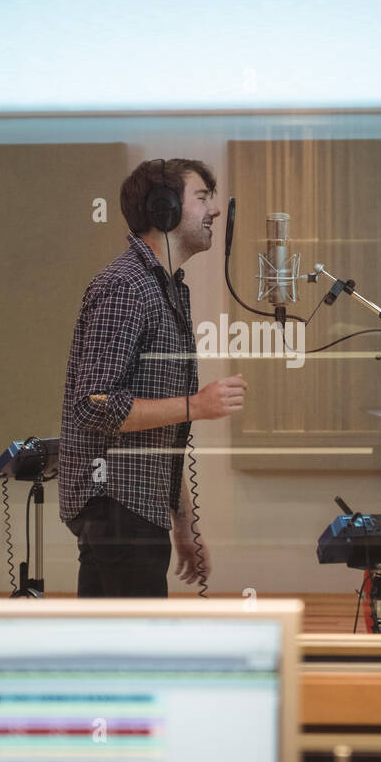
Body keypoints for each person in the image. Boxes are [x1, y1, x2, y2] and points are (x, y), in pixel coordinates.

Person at [59, 158, 247, 596]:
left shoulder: (160, 287)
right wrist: (197, 405)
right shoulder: (126, 285)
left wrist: (183, 521)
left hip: (134, 508)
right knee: (132, 655)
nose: (214, 211)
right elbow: (94, 405)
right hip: (116, 507)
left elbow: (154, 429)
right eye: (201, 198)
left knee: (115, 656)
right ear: (164, 210)